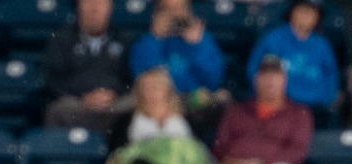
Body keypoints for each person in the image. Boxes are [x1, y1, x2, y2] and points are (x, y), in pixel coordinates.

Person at [211, 54, 313, 164]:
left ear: (284, 80)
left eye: (275, 75)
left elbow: (298, 151)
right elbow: (219, 147)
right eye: (265, 75)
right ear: (256, 79)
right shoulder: (236, 111)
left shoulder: (299, 113)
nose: (270, 80)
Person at [43, 0, 131, 133]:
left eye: (101, 3)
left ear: (110, 7)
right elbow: (53, 80)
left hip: (115, 106)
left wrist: (113, 94)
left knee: (136, 104)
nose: (94, 8)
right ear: (78, 6)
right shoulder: (61, 40)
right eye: (89, 2)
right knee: (58, 109)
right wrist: (83, 96)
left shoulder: (124, 40)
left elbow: (132, 79)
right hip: (77, 106)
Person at [247, 0, 341, 124]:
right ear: (292, 12)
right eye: (302, 10)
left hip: (316, 110)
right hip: (280, 110)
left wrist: (325, 100)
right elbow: (254, 71)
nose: (306, 15)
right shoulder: (273, 39)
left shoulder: (322, 45)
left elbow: (331, 78)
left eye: (312, 12)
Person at [130, 0, 226, 103]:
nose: (175, 13)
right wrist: (155, 37)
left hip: (195, 102)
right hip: (160, 101)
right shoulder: (147, 42)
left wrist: (196, 46)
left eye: (180, 8)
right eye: (168, 9)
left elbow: (213, 81)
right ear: (158, 13)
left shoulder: (203, 41)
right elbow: (144, 79)